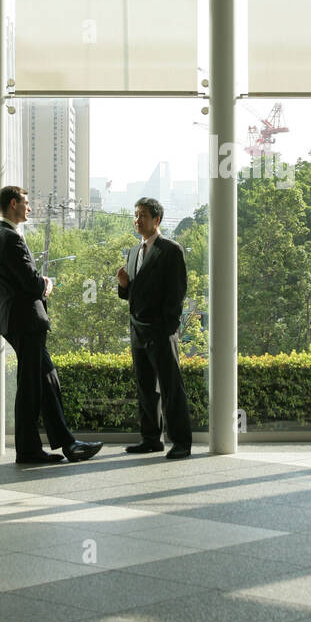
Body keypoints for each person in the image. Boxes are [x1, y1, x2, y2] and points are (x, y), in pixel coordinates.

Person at [0, 186, 102, 466]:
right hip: (25, 321)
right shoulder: (10, 238)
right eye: (25, 203)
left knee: (47, 379)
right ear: (13, 204)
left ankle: (69, 444)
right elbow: (31, 282)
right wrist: (46, 285)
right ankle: (28, 451)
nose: (30, 208)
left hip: (18, 321)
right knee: (30, 388)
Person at [116, 197, 194, 460]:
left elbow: (176, 293)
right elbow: (132, 295)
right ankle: (151, 439)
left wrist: (167, 327)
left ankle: (181, 442)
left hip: (161, 330)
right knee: (145, 386)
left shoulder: (171, 250)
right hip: (138, 329)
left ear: (157, 220)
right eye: (136, 215)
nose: (137, 220)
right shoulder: (134, 252)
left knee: (171, 387)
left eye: (143, 216)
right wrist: (124, 285)